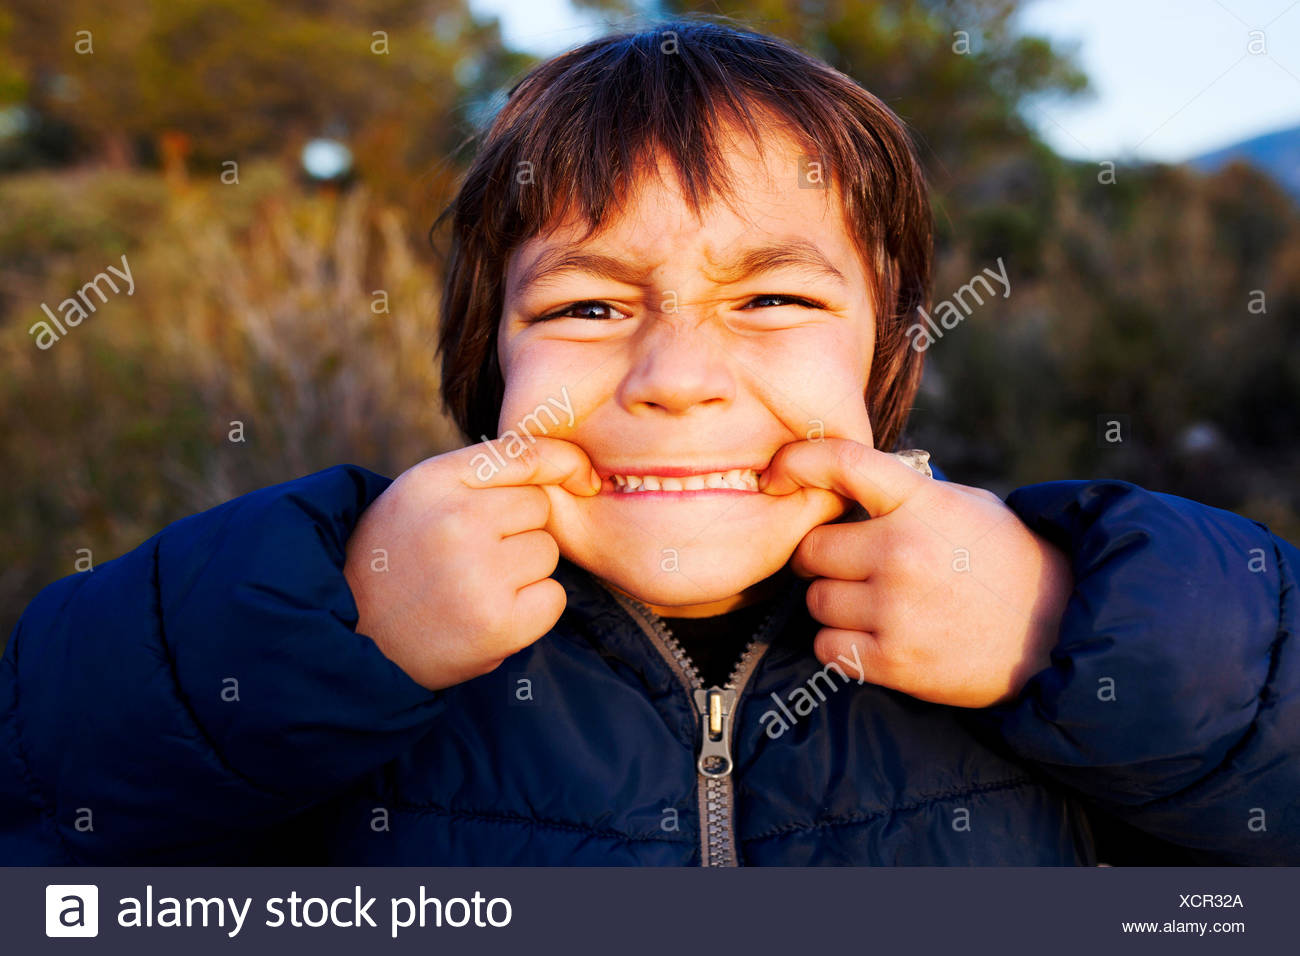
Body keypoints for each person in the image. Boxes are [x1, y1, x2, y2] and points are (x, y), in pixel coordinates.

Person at [2, 19, 1296, 866]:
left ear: (888, 353)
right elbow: (47, 836)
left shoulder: (1049, 633)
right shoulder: (348, 615)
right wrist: (331, 636)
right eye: (588, 306)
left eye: (775, 299)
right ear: (486, 360)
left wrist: (1083, 639)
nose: (677, 378)